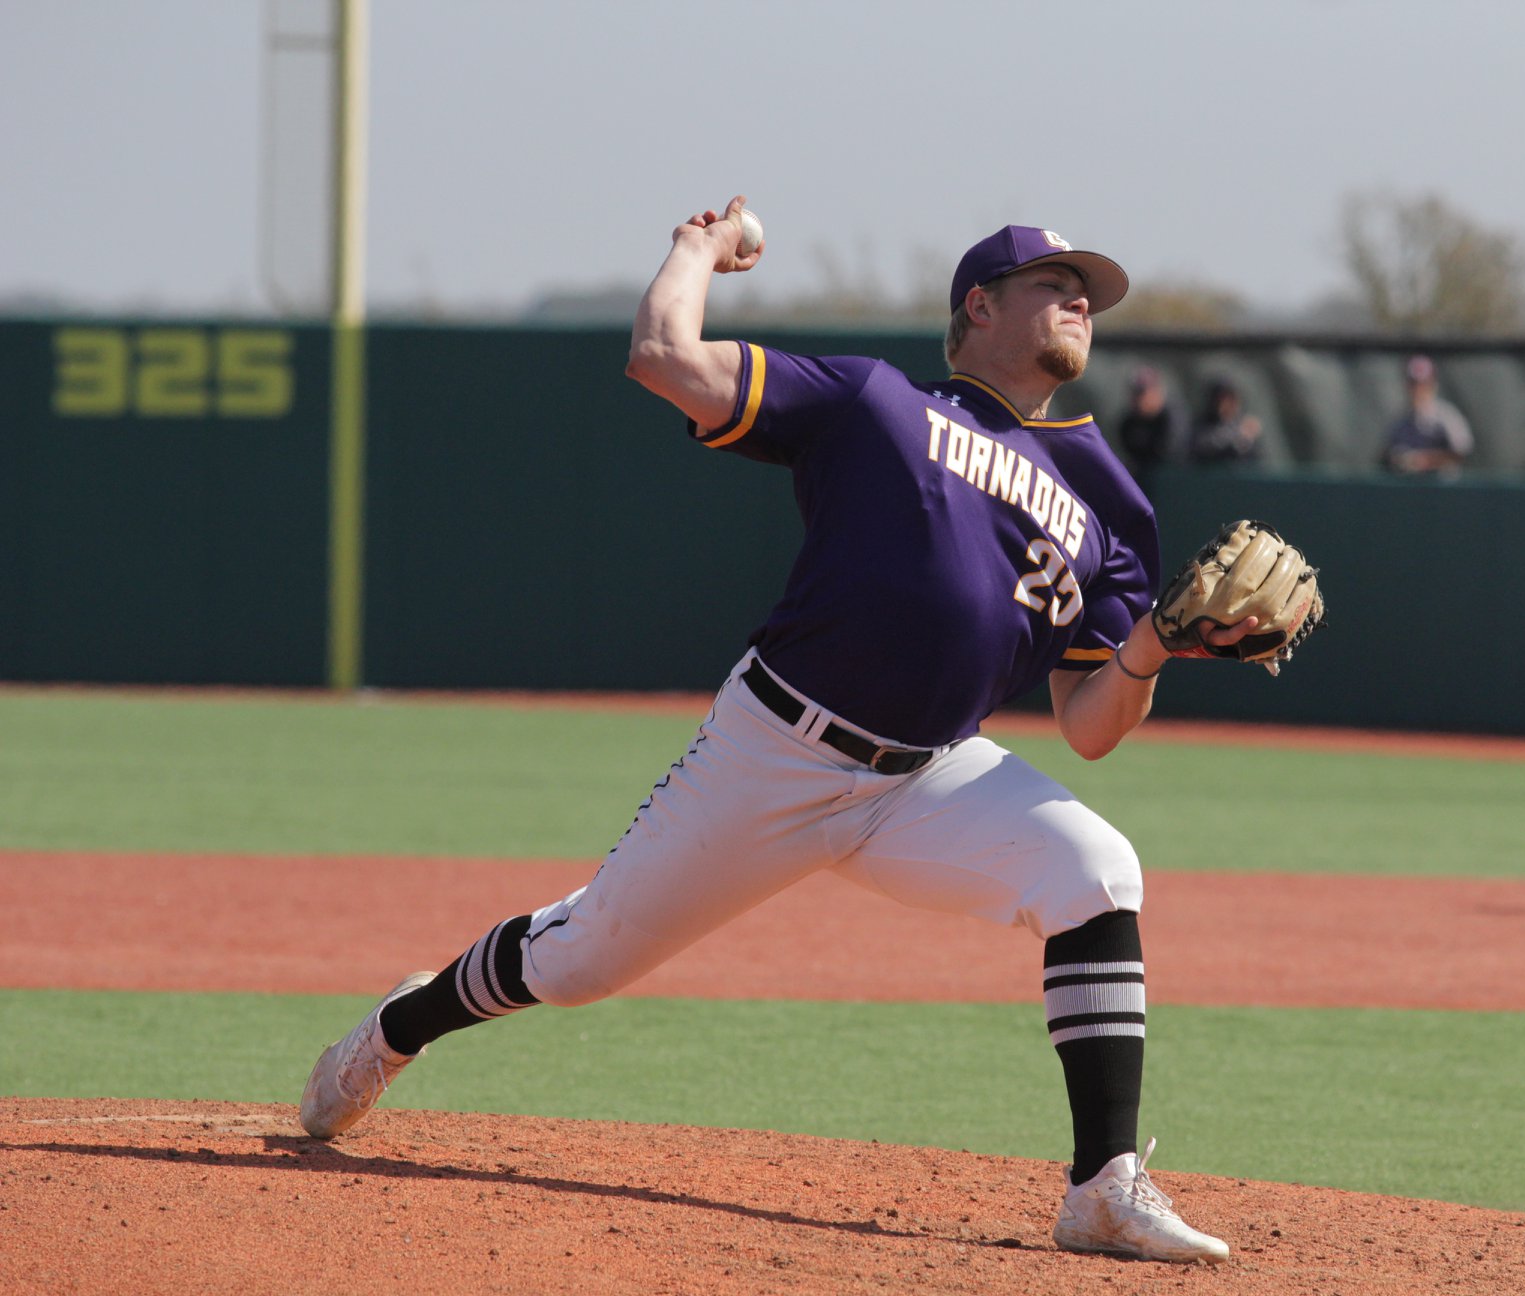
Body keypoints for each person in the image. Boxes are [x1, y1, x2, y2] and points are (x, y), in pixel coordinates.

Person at [299, 201, 1245, 1265]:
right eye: (1053, 282)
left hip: (926, 778)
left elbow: (1091, 726)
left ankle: (1102, 1190)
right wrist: (695, 250)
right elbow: (663, 357)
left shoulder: (1113, 505)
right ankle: (396, 1030)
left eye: (1089, 291)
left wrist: (1155, 645)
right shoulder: (874, 402)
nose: (1081, 299)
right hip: (777, 748)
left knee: (1096, 867)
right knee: (581, 960)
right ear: (978, 307)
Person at [1380, 354, 1472, 476]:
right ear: (1407, 386)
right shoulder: (1400, 422)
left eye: (1424, 384)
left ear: (1433, 385)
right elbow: (1387, 457)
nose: (1419, 390)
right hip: (1409, 490)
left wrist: (1425, 460)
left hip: (1444, 489)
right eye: (1414, 384)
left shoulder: (1447, 416)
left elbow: (1461, 452)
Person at [1114, 365, 1186, 478]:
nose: (1138, 399)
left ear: (1157, 392)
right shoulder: (1128, 422)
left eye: (1142, 393)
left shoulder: (1171, 420)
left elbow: (1168, 453)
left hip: (1171, 481)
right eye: (1135, 393)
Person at [1187, 378, 1264, 464]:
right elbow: (1203, 448)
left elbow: (1254, 460)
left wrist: (1246, 439)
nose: (1230, 405)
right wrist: (1237, 436)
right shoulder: (1202, 425)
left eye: (1233, 399)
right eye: (1225, 399)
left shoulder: (1242, 424)